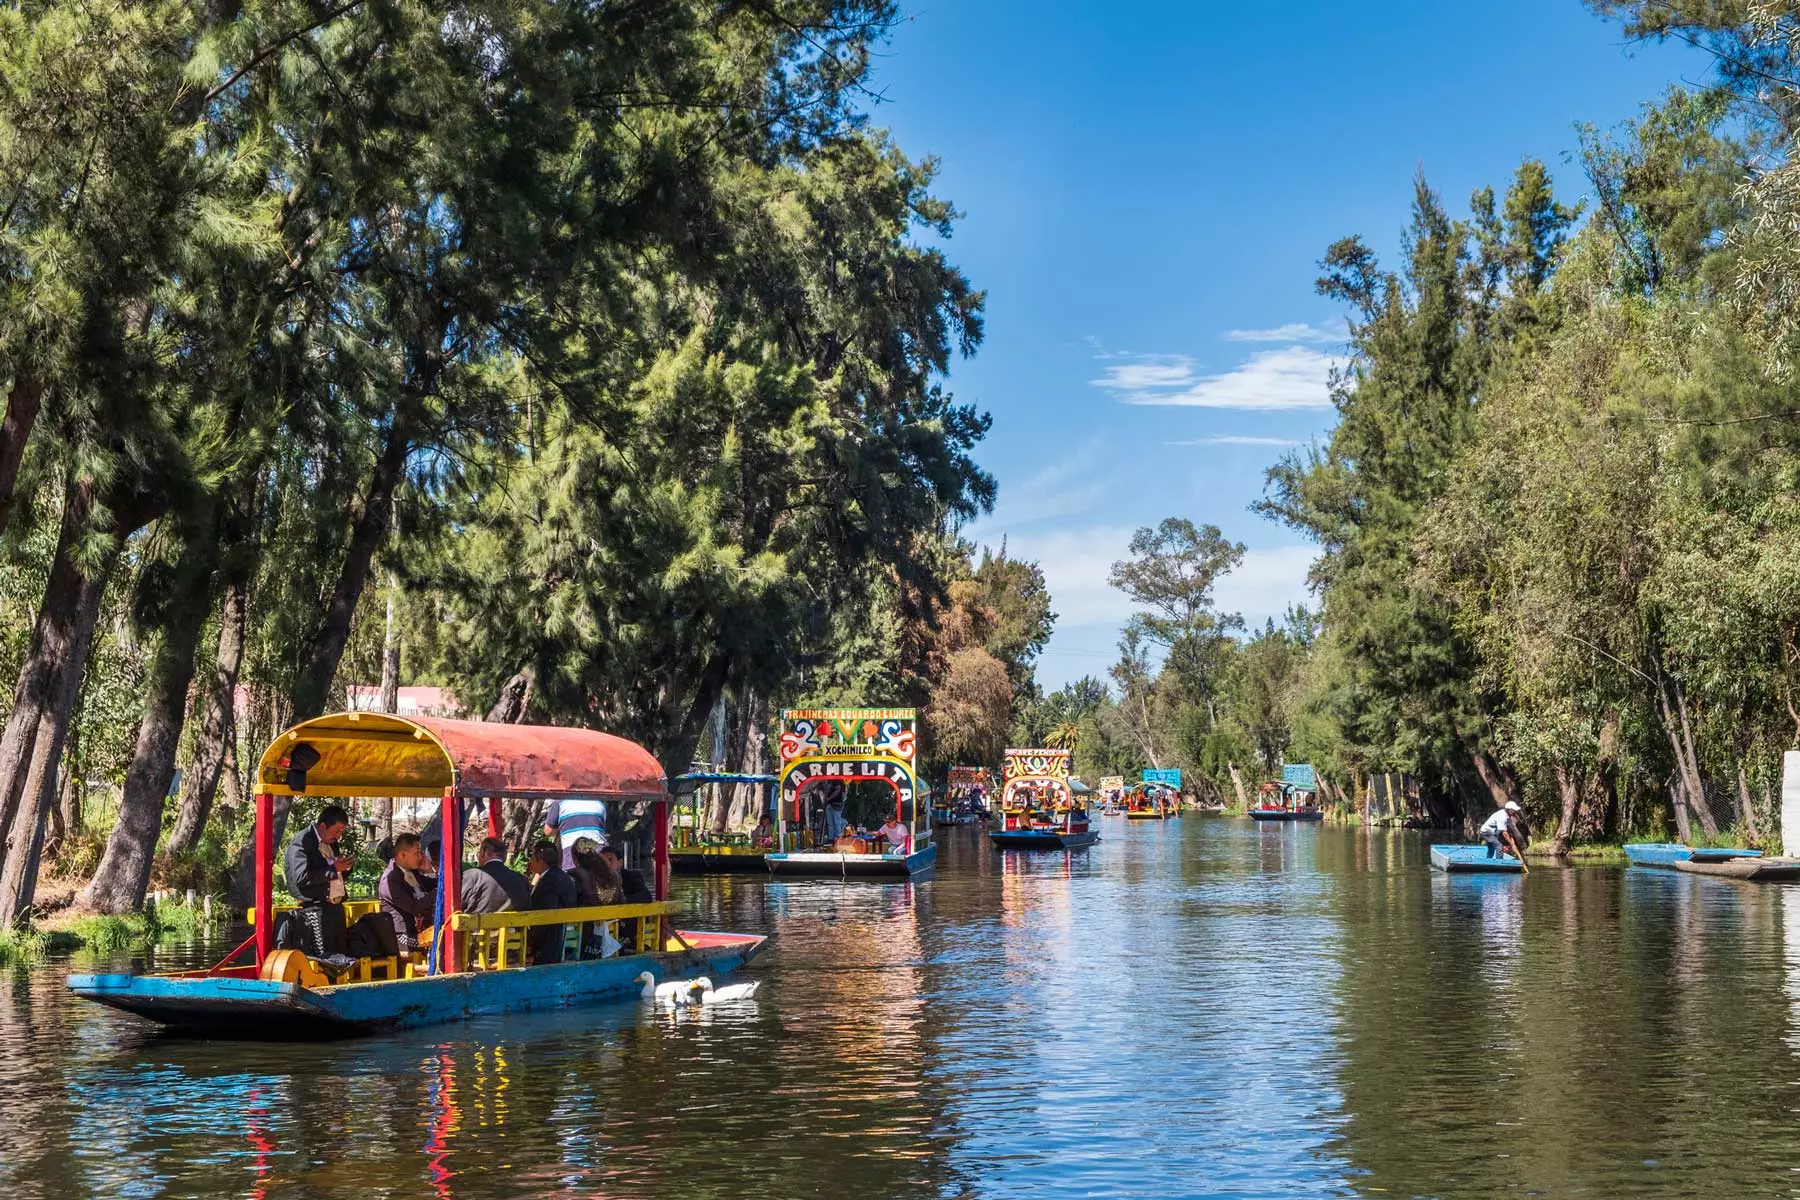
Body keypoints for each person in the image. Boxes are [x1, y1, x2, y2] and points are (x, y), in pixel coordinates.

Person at [377, 832, 438, 953]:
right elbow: (414, 907)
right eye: (416, 853)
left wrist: (440, 877)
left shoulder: (411, 872)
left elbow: (430, 883)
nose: (420, 857)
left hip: (419, 931)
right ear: (402, 854)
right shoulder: (390, 880)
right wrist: (436, 893)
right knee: (438, 944)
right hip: (402, 936)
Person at [526, 839, 577, 965]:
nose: (530, 863)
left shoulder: (548, 882)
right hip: (568, 930)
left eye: (532, 859)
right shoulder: (564, 876)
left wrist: (531, 944)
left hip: (551, 940)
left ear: (541, 862)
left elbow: (543, 916)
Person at [461, 837, 531, 914]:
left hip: (478, 925)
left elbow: (458, 904)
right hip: (511, 925)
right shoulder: (521, 879)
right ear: (504, 856)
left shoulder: (472, 876)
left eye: (479, 852)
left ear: (484, 852)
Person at [544, 796, 607, 869]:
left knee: (573, 877)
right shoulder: (600, 803)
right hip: (598, 848)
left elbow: (548, 831)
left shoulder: (560, 802)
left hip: (571, 851)